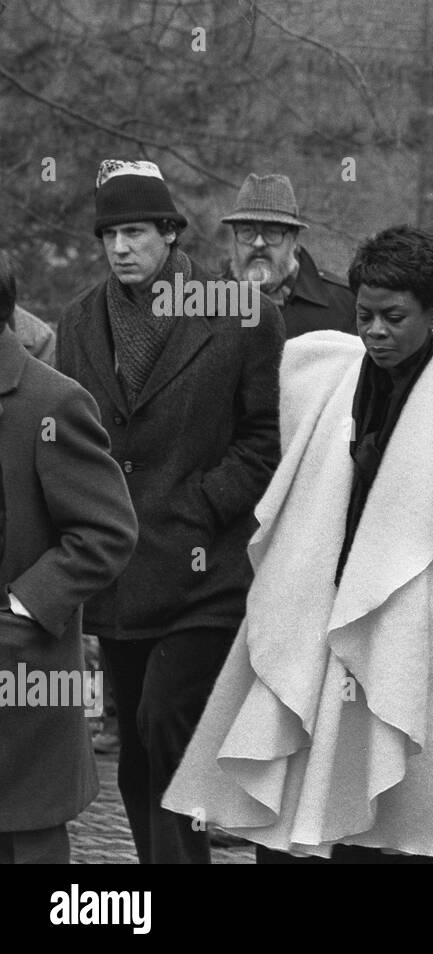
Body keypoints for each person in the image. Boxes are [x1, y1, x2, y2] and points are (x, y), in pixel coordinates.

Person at [163, 226, 433, 862]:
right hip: (326, 629)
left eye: (395, 317)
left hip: (431, 646)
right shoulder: (329, 377)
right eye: (365, 315)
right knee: (298, 830)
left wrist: (430, 616)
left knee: (411, 828)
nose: (376, 331)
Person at [55, 159, 285, 864]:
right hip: (122, 571)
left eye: (134, 232)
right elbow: (71, 435)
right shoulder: (80, 321)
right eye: (108, 235)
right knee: (136, 751)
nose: (120, 248)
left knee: (163, 723)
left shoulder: (242, 314)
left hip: (204, 569)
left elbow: (265, 438)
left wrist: (200, 507)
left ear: (169, 233)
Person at [0, 253, 138, 864]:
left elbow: (105, 531)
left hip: (21, 674)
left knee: (27, 837)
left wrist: (22, 608)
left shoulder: (52, 403)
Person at [222, 173, 356, 339]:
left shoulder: (343, 305)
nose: (258, 243)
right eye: (247, 232)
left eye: (272, 232)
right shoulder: (204, 303)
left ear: (294, 238)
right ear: (234, 237)